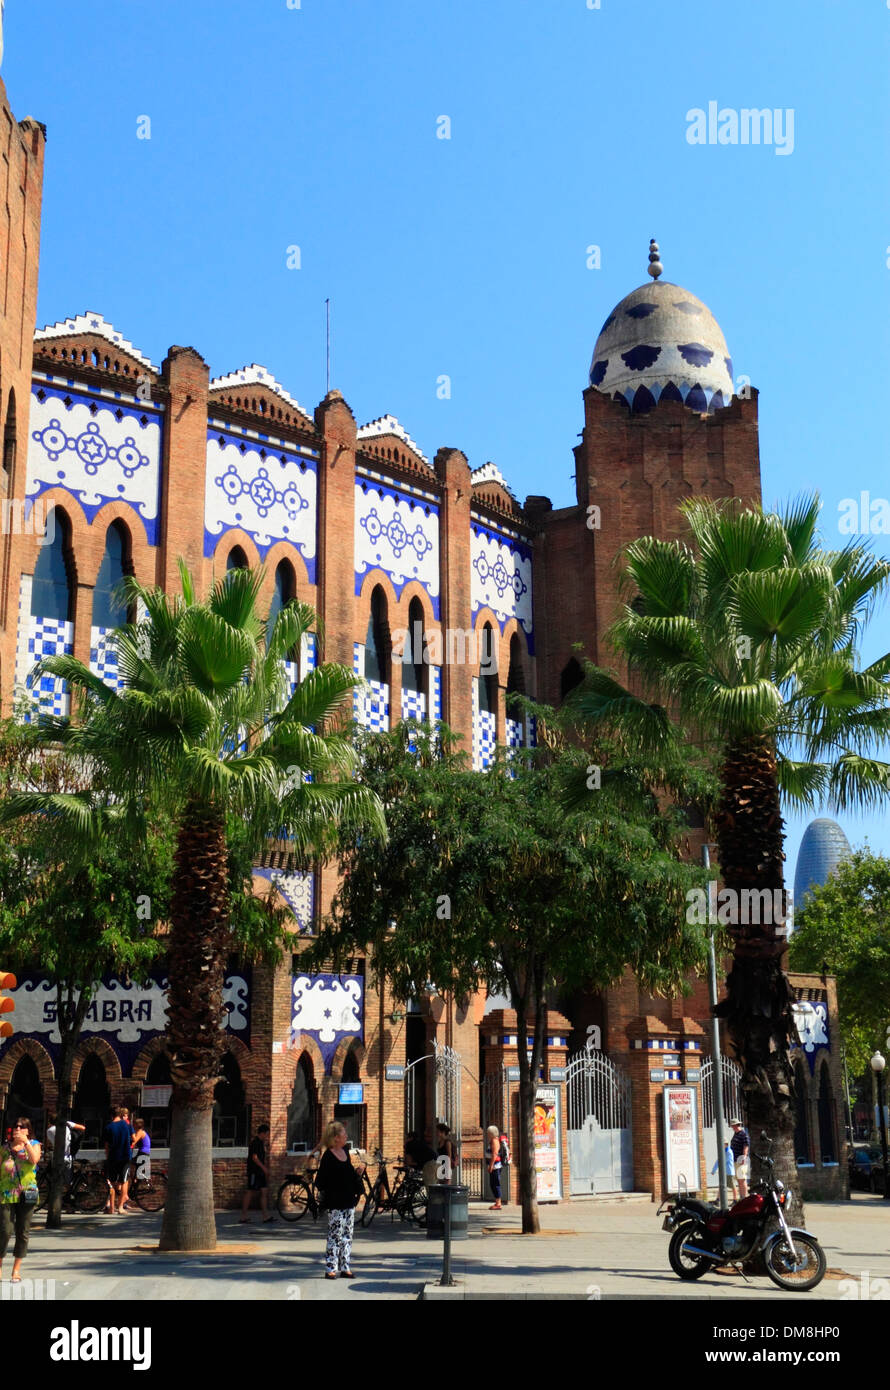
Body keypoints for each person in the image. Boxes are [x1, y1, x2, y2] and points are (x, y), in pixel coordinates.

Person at [316, 1120, 365, 1279]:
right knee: (335, 1235)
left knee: (347, 1235)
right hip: (335, 1202)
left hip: (349, 1200)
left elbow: (349, 1175)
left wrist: (357, 1173)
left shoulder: (345, 1152)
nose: (346, 1135)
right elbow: (321, 1181)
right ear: (336, 1137)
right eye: (344, 1133)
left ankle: (345, 1266)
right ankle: (331, 1267)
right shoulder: (328, 1156)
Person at [0, 1118, 41, 1283]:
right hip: (7, 1193)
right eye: (16, 1126)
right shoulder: (4, 1147)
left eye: (21, 1126)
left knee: (22, 1231)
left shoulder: (35, 1144)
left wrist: (26, 1143)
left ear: (27, 1130)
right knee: (5, 1230)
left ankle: (16, 1270)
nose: (17, 1128)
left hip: (28, 1192)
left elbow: (34, 1160)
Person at [104, 1107, 134, 1215]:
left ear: (111, 1115)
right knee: (124, 1181)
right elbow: (133, 1138)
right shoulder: (126, 1125)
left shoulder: (108, 1127)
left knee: (111, 1182)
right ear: (120, 1115)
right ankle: (120, 1207)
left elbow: (107, 1145)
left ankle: (111, 1208)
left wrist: (108, 1156)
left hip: (113, 1157)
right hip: (125, 1156)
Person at [241, 1123, 273, 1222]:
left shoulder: (261, 1143)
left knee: (264, 1191)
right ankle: (243, 1216)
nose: (267, 1137)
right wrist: (264, 1168)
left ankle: (265, 1216)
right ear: (262, 1133)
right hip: (254, 1171)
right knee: (250, 1192)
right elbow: (254, 1158)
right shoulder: (255, 1143)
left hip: (260, 1172)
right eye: (267, 1134)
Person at [124, 1117, 151, 1212]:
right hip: (143, 1153)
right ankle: (135, 1182)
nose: (132, 1126)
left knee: (129, 1165)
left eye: (134, 1124)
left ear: (137, 1125)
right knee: (135, 1172)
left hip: (143, 1154)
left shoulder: (140, 1132)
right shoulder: (141, 1131)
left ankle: (135, 1187)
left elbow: (133, 1143)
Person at [729, 1118, 750, 1199]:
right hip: (735, 1160)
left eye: (732, 1125)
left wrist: (744, 1157)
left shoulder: (743, 1134)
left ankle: (744, 1198)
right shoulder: (736, 1133)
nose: (732, 1127)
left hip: (740, 1160)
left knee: (742, 1180)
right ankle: (741, 1198)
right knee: (739, 1180)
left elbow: (746, 1146)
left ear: (735, 1125)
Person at [486, 1124, 502, 1210]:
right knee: (493, 1184)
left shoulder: (494, 1141)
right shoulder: (493, 1140)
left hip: (496, 1166)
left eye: (488, 1133)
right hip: (494, 1166)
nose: (487, 1134)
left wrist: (491, 1165)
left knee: (495, 1184)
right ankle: (497, 1202)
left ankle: (498, 1203)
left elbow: (494, 1154)